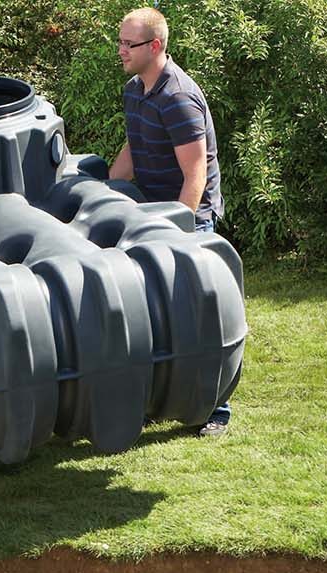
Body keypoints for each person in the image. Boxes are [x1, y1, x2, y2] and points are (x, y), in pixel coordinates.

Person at [109, 8, 232, 438]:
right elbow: (135, 143)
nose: (121, 50)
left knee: (198, 314)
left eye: (129, 44)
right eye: (120, 41)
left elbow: (195, 172)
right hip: (150, 215)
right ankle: (158, 399)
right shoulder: (135, 90)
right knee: (153, 313)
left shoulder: (177, 97)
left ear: (155, 46)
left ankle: (217, 409)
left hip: (188, 219)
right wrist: (107, 189)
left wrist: (178, 232)